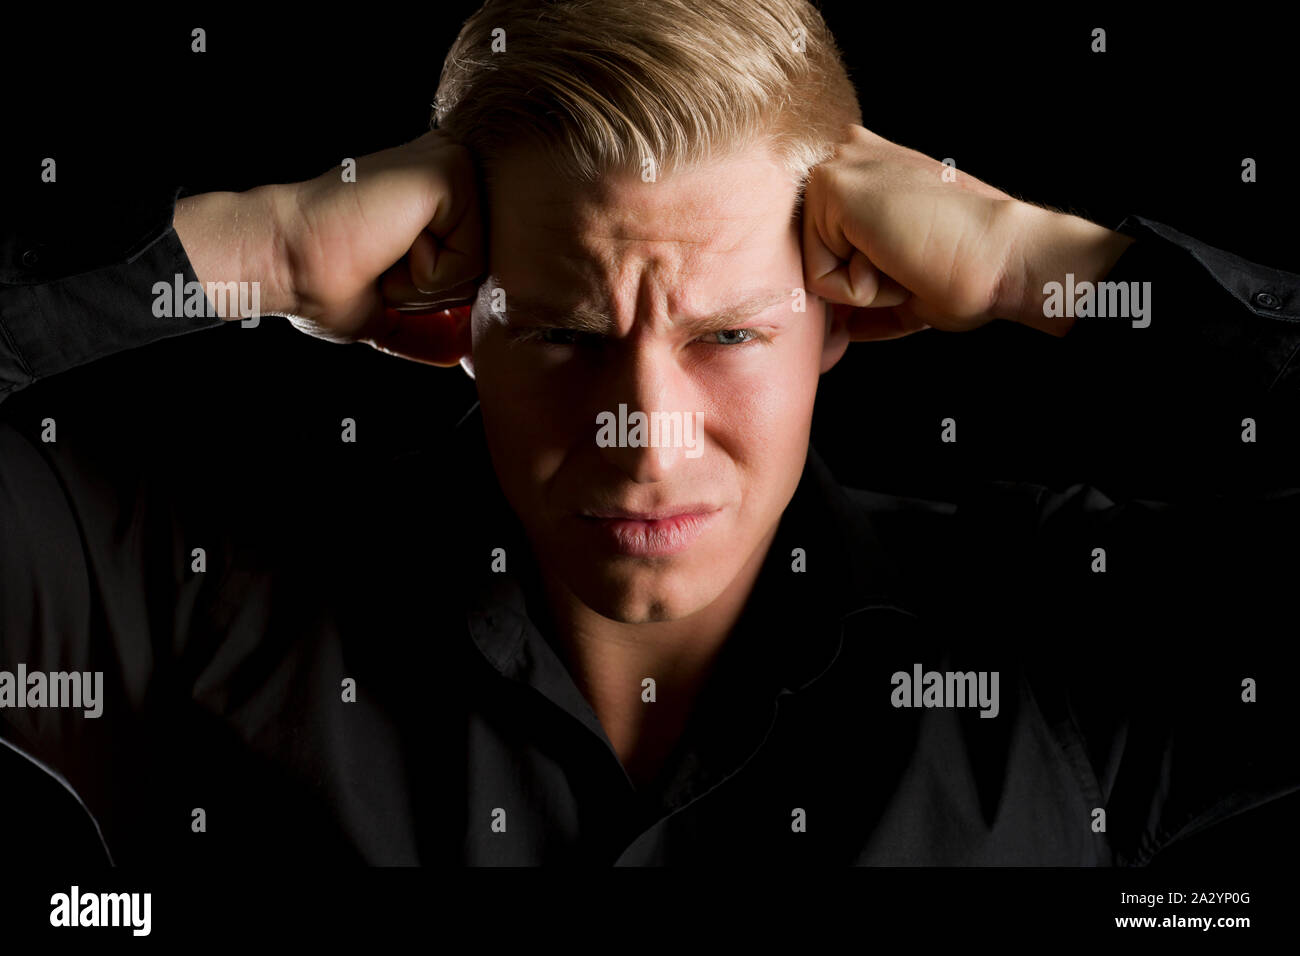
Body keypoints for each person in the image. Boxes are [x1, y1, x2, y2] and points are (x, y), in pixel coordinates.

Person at [2, 0, 1297, 866]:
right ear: (456, 319)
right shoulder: (198, 607)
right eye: (566, 334)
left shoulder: (1058, 639)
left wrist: (1051, 267)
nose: (643, 434)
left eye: (727, 336)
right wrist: (255, 247)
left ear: (849, 319)